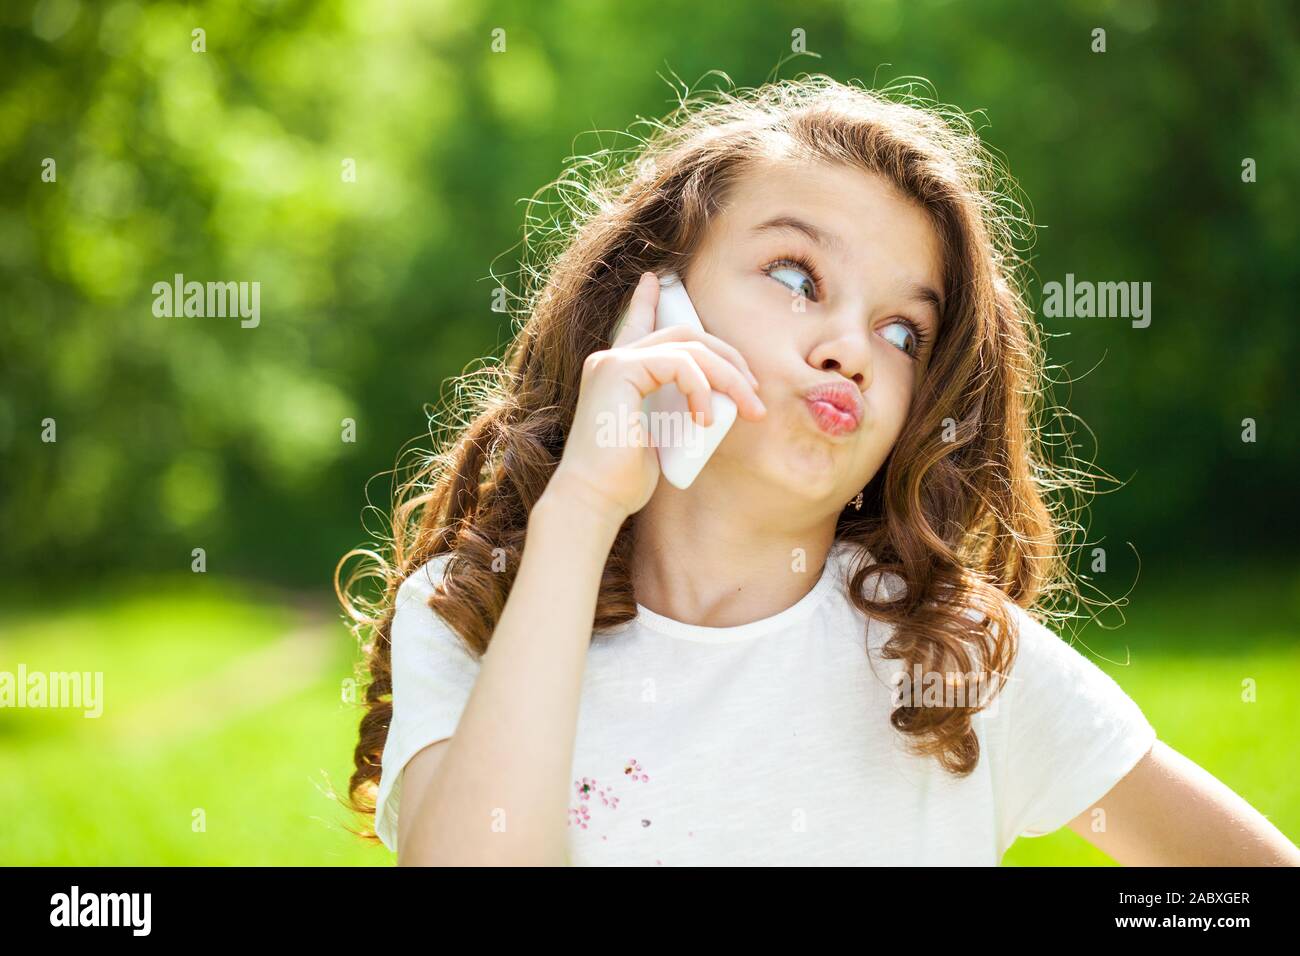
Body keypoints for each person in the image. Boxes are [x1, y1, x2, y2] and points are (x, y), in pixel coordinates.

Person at [337, 75, 1300, 866]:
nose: (851, 345)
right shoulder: (477, 613)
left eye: (901, 330)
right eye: (798, 278)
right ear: (652, 307)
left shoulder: (951, 658)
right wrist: (581, 507)